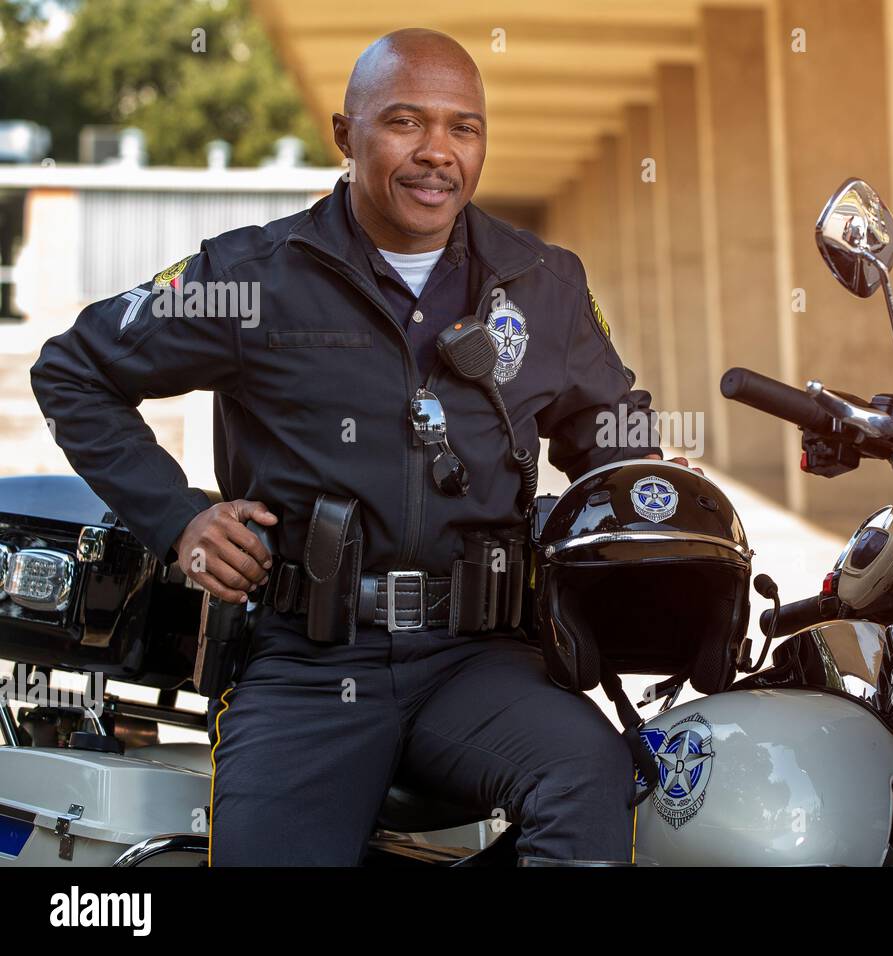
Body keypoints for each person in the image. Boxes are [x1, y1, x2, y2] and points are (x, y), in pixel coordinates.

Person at [31, 28, 686, 866]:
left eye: (463, 128)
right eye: (405, 123)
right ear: (347, 136)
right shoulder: (255, 276)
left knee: (589, 775)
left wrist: (651, 491)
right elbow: (74, 370)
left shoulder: (543, 283)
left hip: (479, 660)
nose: (437, 153)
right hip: (308, 661)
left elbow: (611, 436)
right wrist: (180, 519)